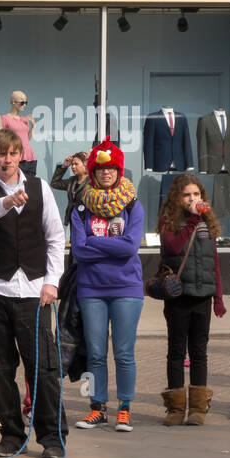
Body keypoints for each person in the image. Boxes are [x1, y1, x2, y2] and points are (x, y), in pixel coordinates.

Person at [0, 128, 67, 458]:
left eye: (12, 154)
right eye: (0, 155)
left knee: (42, 367)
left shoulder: (40, 189)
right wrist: (8, 201)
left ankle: (52, 437)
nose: (7, 160)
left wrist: (52, 282)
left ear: (20, 155)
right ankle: (11, 433)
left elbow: (55, 237)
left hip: (33, 292)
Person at [70, 138, 144, 433]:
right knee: (94, 352)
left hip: (127, 289)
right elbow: (78, 250)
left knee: (124, 353)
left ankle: (124, 408)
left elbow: (130, 248)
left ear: (118, 170)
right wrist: (114, 244)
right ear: (93, 172)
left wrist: (96, 243)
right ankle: (96, 408)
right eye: (100, 169)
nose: (106, 173)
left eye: (111, 168)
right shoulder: (80, 210)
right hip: (91, 289)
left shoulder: (133, 205)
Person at [157, 173, 225, 426]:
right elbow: (174, 248)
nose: (193, 199)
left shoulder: (207, 223)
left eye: (196, 194)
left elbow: (214, 262)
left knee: (199, 352)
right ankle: (175, 409)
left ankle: (198, 409)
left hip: (202, 297)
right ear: (177, 197)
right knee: (176, 352)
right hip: (178, 297)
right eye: (187, 195)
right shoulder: (168, 222)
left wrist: (218, 297)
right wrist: (193, 220)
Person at [51, 151, 91, 222]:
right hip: (73, 219)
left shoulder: (92, 182)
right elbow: (55, 183)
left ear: (85, 165)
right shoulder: (72, 181)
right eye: (72, 164)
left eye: (76, 164)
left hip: (88, 218)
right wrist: (64, 166)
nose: (73, 167)